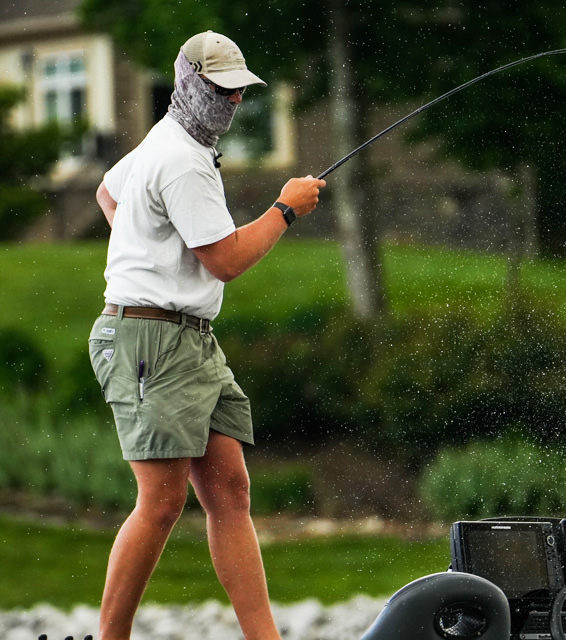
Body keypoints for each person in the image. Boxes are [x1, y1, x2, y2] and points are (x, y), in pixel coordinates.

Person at [89, 31, 325, 640]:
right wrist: (286, 209)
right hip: (150, 342)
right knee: (162, 502)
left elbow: (108, 193)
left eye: (239, 91)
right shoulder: (183, 159)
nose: (232, 102)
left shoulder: (165, 138)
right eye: (220, 90)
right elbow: (225, 260)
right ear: (189, 83)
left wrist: (147, 249)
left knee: (230, 491)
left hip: (189, 341)